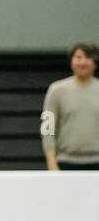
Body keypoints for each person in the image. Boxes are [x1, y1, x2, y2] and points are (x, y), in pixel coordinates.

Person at [42, 42, 99, 171]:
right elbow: (47, 129)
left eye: (88, 58)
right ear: (71, 61)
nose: (83, 62)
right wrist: (52, 165)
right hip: (65, 162)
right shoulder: (56, 90)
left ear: (95, 62)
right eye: (78, 57)